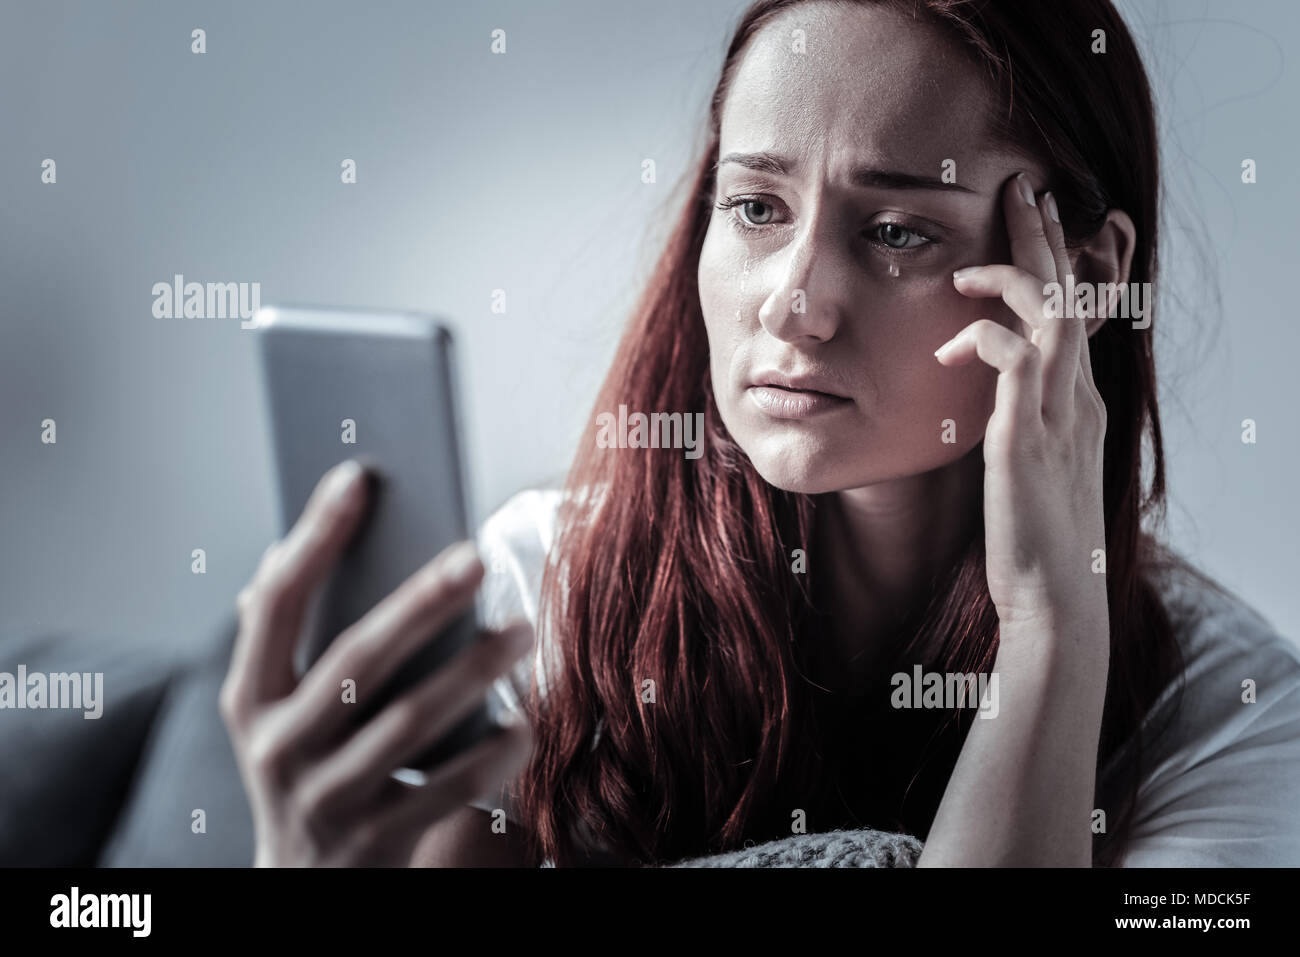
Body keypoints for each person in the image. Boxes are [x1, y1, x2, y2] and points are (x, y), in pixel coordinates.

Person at [221, 0, 1300, 868]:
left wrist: (1052, 629)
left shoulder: (1232, 716)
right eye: (756, 209)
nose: (795, 304)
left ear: (1085, 280)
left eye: (894, 230)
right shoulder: (538, 593)